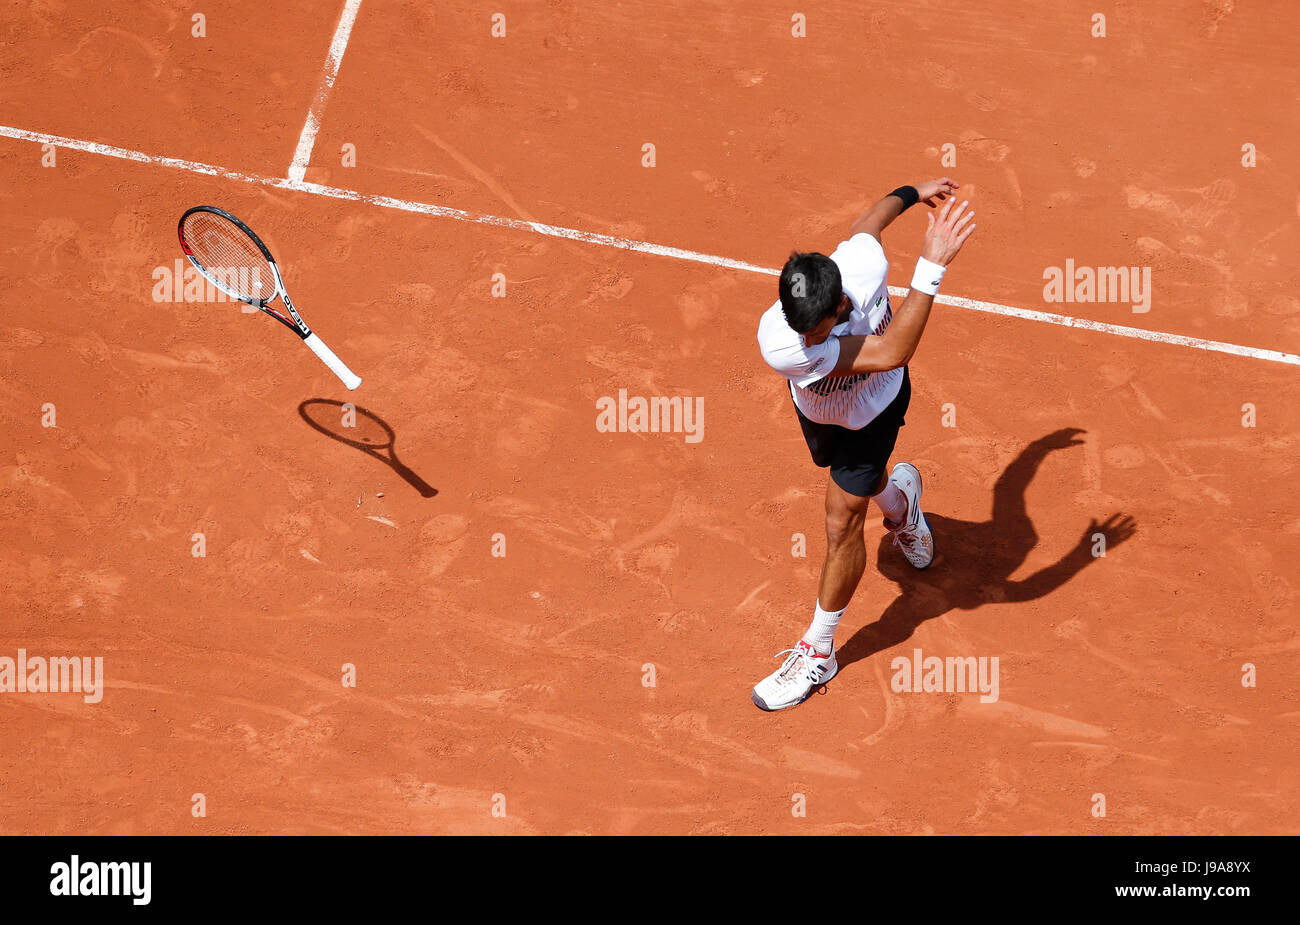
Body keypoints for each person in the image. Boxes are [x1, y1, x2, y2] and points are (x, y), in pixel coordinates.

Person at [751, 179, 976, 711]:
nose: (806, 339)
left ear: (839, 303)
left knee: (840, 520)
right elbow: (890, 343)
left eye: (817, 330)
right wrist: (929, 251)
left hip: (876, 406)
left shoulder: (862, 264)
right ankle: (902, 508)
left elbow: (868, 226)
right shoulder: (783, 343)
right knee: (865, 485)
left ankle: (818, 650)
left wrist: (911, 194)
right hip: (822, 414)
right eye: (799, 328)